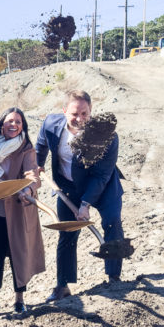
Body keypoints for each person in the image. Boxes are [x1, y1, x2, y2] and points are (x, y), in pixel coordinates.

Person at [35, 90, 124, 300]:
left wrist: (85, 204)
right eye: (75, 114)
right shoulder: (51, 125)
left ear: (91, 112)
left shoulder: (108, 137)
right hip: (68, 186)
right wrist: (36, 167)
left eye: (85, 114)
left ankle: (114, 278)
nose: (80, 119)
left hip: (103, 186)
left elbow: (101, 175)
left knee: (112, 222)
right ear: (64, 111)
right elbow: (40, 146)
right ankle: (62, 286)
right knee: (67, 232)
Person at [0, 107, 45, 317]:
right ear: (2, 124)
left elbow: (32, 175)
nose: (14, 125)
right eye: (10, 121)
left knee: (17, 254)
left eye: (18, 122)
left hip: (18, 211)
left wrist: (28, 188)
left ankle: (19, 300)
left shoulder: (26, 148)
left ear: (23, 126)